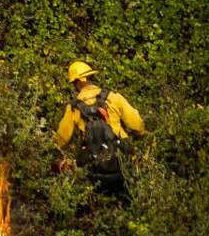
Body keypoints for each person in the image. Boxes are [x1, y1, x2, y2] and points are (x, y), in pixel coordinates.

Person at [53, 59, 145, 198]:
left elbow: (61, 139)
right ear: (91, 77)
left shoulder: (73, 108)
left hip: (95, 169)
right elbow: (137, 124)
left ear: (77, 82)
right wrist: (142, 135)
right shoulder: (114, 97)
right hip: (122, 162)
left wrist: (51, 151)